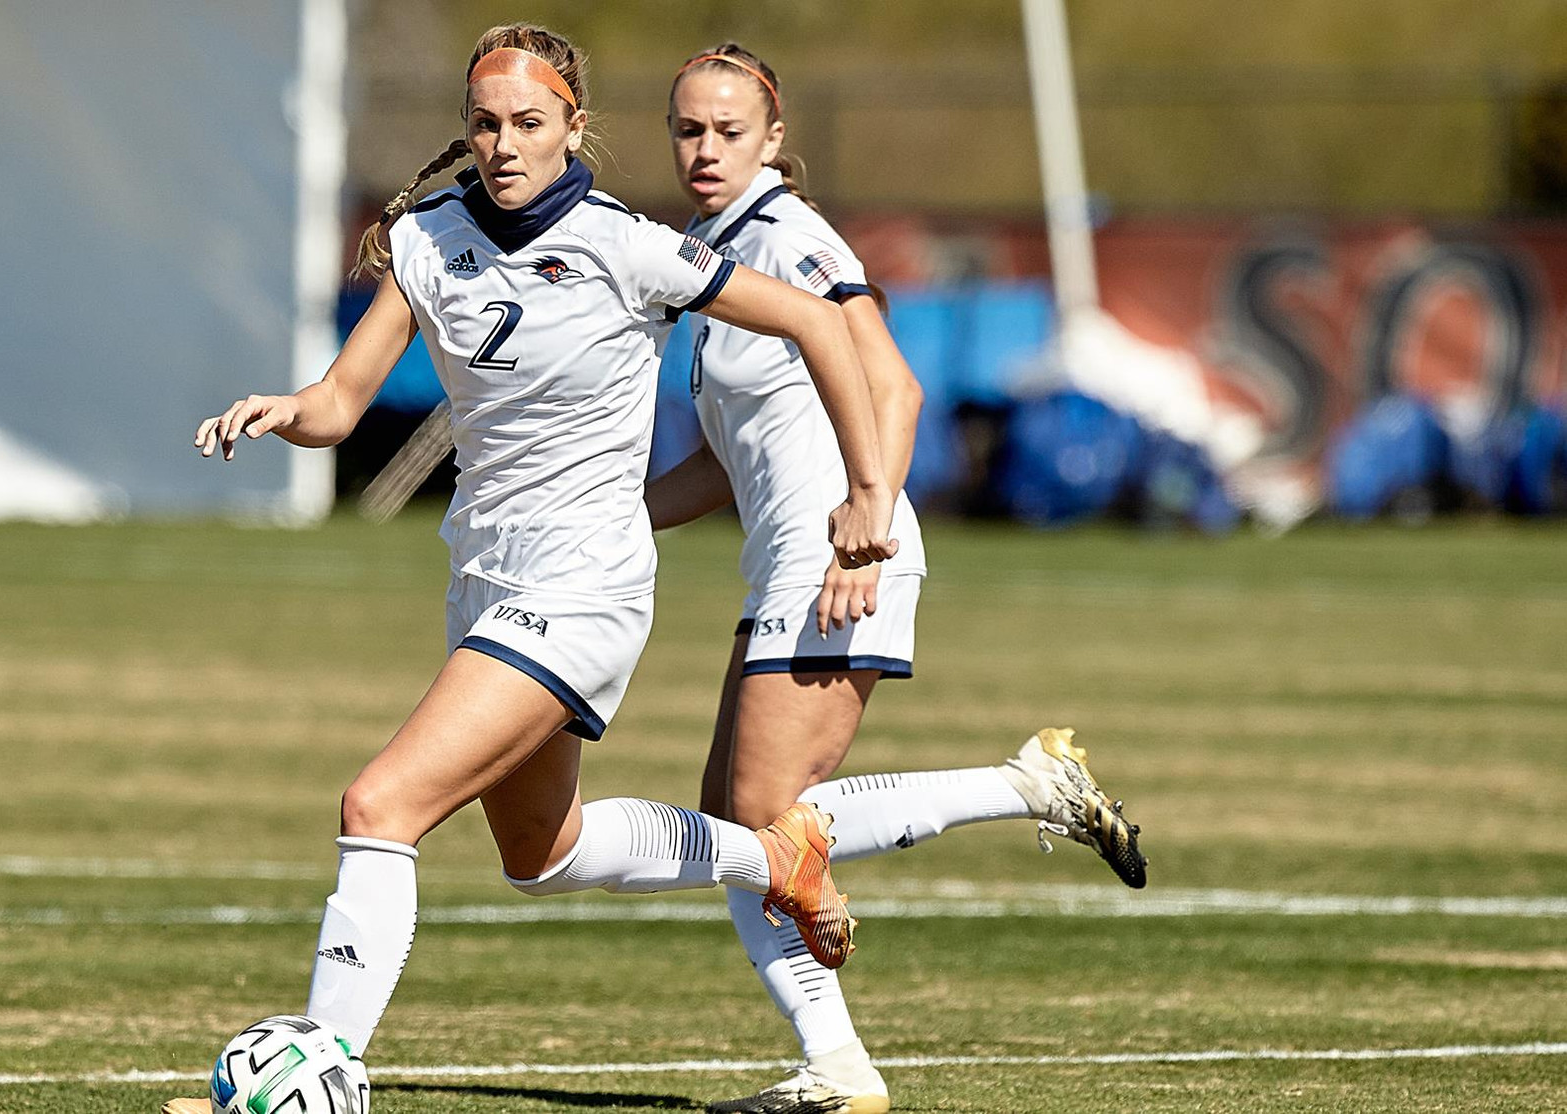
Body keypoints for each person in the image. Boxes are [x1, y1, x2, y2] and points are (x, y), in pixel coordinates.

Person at [178, 23, 903, 1097]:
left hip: (583, 587)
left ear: (575, 127)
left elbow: (818, 324)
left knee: (380, 805)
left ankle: (321, 1068)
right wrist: (291, 410)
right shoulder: (427, 237)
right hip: (483, 579)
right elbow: (341, 400)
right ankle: (771, 857)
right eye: (485, 123)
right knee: (544, 854)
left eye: (529, 122)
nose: (505, 144)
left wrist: (868, 490)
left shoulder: (631, 244)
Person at [646, 45, 1148, 1114]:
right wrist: (615, 517)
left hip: (840, 553)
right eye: (690, 129)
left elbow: (897, 387)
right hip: (782, 555)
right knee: (739, 836)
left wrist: (863, 521)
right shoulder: (707, 250)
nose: (706, 149)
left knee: (763, 828)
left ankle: (1028, 787)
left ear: (774, 141)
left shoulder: (789, 236)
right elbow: (722, 464)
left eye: (730, 132)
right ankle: (837, 1068)